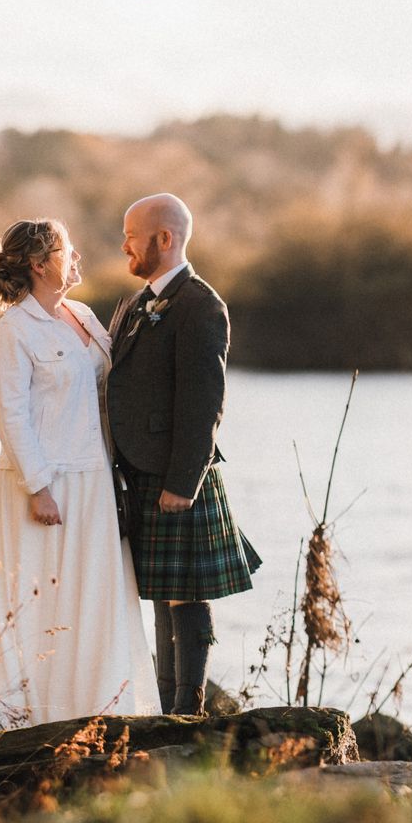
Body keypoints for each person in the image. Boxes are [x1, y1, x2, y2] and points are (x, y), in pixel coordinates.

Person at [0, 218, 157, 729]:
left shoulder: (84, 316)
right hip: (44, 488)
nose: (76, 259)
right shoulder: (12, 332)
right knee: (39, 595)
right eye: (67, 252)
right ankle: (24, 716)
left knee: (94, 593)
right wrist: (39, 487)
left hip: (94, 479)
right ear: (39, 263)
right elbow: (12, 417)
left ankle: (97, 707)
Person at [105, 193, 261, 715]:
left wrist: (183, 480)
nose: (124, 243)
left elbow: (204, 404)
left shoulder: (201, 305)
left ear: (164, 239)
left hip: (176, 473)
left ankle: (189, 708)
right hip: (138, 469)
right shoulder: (132, 303)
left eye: (132, 234)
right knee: (159, 594)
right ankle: (164, 703)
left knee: (187, 595)